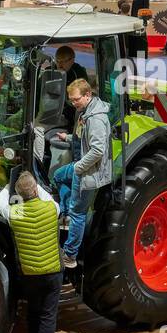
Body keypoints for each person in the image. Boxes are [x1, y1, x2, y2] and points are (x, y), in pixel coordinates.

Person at [0, 173, 62, 333]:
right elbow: (45, 195)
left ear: (19, 194)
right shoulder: (52, 208)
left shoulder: (14, 214)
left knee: (33, 314)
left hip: (29, 275)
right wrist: (35, 183)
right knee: (47, 316)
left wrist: (8, 185)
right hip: (52, 272)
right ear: (35, 190)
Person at [52, 79, 111, 269]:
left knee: (79, 213)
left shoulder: (96, 119)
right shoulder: (84, 112)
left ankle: (69, 255)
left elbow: (97, 150)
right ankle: (66, 214)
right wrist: (68, 137)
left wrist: (78, 168)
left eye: (76, 99)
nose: (73, 103)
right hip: (79, 166)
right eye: (71, 100)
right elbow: (81, 138)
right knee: (58, 176)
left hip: (86, 172)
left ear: (87, 95)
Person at [55, 46, 88, 131]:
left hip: (72, 113)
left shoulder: (78, 73)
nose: (59, 65)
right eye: (57, 61)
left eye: (63, 62)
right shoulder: (50, 71)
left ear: (72, 60)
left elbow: (82, 100)